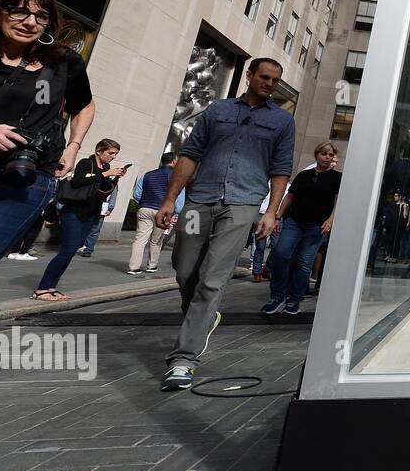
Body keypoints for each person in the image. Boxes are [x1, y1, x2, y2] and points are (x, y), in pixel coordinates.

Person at [155, 57, 294, 391]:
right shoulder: (216, 110)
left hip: (243, 205)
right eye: (264, 77)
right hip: (199, 200)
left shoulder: (281, 121)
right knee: (185, 269)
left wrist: (271, 212)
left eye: (276, 80)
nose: (270, 84)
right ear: (249, 76)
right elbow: (190, 155)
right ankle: (204, 318)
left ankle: (184, 359)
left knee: (212, 279)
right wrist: (171, 199)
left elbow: (280, 169)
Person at [0, 0, 96, 271]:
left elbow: (85, 105)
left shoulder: (64, 62)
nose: (30, 22)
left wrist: (73, 147)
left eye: (41, 17)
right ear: (1, 13)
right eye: (19, 12)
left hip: (28, 175)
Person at [30, 139, 125, 300]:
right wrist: (105, 174)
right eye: (110, 153)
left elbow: (104, 191)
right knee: (68, 249)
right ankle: (42, 288)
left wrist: (115, 178)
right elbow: (77, 181)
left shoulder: (106, 168)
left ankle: (51, 286)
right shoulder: (86, 163)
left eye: (116, 154)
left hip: (91, 214)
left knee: (72, 250)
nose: (113, 156)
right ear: (99, 151)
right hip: (74, 211)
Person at [262, 141, 341, 314]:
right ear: (316, 154)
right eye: (324, 154)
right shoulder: (304, 175)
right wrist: (277, 216)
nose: (327, 158)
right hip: (294, 221)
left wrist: (331, 219)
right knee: (281, 254)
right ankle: (277, 296)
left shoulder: (336, 178)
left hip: (316, 225)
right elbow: (290, 197)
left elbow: (338, 201)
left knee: (304, 262)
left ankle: (294, 299)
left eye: (330, 155)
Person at [77, 178, 118, 257]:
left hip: (93, 206)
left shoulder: (97, 178)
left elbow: (113, 194)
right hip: (99, 207)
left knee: (90, 228)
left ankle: (84, 248)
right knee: (94, 230)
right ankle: (87, 249)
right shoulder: (110, 181)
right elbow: (113, 195)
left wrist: (110, 208)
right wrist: (110, 208)